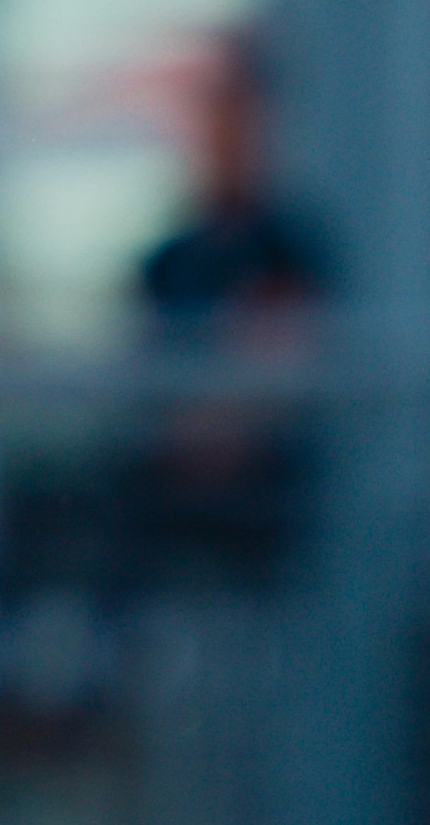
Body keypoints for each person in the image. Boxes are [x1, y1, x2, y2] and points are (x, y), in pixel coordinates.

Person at [126, 31, 330, 585]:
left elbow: (278, 378)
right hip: (168, 511)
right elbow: (144, 383)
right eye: (214, 119)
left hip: (266, 513)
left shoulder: (289, 251)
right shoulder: (167, 261)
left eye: (240, 119)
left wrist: (217, 408)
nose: (224, 137)